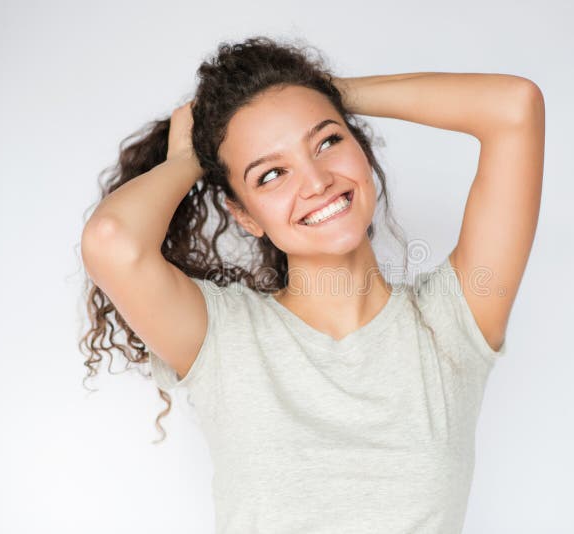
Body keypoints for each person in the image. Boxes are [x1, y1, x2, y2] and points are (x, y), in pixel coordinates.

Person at [79, 36, 544, 534]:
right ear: (244, 215)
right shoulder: (224, 340)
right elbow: (112, 241)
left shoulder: (451, 325)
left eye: (327, 141)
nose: (317, 180)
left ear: (360, 148)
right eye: (271, 174)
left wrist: (325, 92)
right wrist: (190, 157)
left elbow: (514, 107)